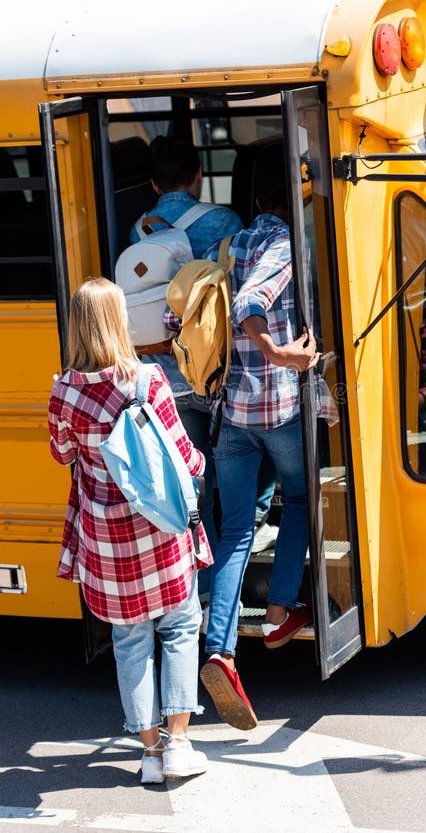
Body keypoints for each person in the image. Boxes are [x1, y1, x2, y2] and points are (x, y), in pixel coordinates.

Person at [48, 277, 213, 782]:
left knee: (130, 642)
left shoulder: (63, 391)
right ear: (119, 321)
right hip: (159, 532)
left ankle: (149, 756)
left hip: (106, 538)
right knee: (182, 627)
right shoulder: (148, 380)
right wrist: (202, 461)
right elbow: (184, 458)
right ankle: (179, 742)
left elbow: (62, 454)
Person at [199, 144, 321, 731]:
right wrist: (279, 353)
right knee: (298, 499)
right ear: (293, 187)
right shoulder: (283, 242)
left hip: (232, 415)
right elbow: (250, 303)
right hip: (275, 408)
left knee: (235, 528)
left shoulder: (237, 240)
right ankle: (277, 615)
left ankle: (219, 648)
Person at [129, 135, 243, 600]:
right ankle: (222, 586)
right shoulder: (226, 221)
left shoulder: (137, 229)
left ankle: (194, 588)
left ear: (154, 182)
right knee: (230, 476)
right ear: (199, 175)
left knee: (191, 487)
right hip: (217, 372)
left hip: (160, 377)